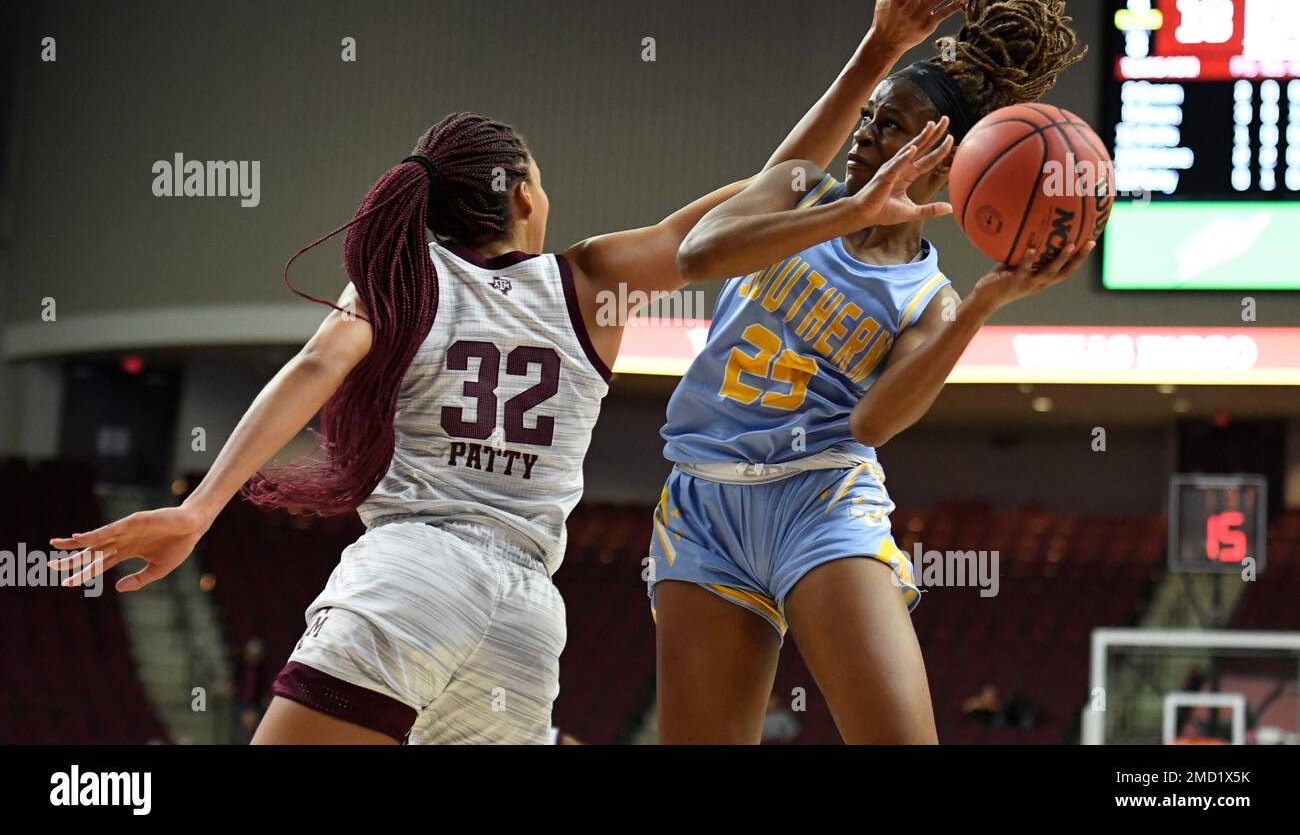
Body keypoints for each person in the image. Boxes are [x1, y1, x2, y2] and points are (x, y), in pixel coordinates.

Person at [51, 107, 939, 744]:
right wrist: (858, 155)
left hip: (417, 572)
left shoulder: (407, 285)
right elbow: (754, 200)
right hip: (525, 615)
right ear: (519, 199)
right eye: (541, 179)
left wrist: (199, 509)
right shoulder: (589, 283)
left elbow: (315, 367)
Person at [648, 0, 1092, 744]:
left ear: (939, 156)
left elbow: (873, 424)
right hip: (702, 500)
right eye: (871, 115)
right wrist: (877, 62)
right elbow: (696, 256)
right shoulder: (800, 192)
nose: (865, 134)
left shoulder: (929, 298)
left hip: (819, 499)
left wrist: (986, 302)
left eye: (891, 127)